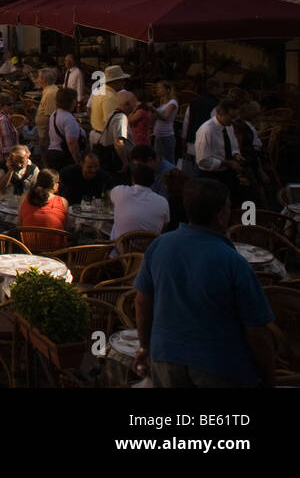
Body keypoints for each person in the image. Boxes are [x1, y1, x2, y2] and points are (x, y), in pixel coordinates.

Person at [133, 179, 275, 387]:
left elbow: (142, 302)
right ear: (220, 214)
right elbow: (257, 331)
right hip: (219, 366)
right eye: (228, 208)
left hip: (166, 360)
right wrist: (270, 379)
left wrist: (145, 347)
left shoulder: (160, 245)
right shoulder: (233, 262)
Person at [194, 99, 246, 199]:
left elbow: (233, 145)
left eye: (236, 117)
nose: (234, 121)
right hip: (211, 176)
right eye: (232, 117)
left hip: (227, 173)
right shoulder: (207, 130)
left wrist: (236, 155)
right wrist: (227, 163)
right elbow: (203, 160)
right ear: (221, 114)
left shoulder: (228, 126)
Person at [109, 163, 169, 240]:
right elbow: (164, 228)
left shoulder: (119, 191)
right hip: (150, 250)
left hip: (119, 249)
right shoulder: (163, 201)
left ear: (132, 179)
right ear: (153, 181)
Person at [18, 169, 68, 247]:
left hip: (27, 249)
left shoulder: (24, 198)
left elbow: (19, 224)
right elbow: (65, 228)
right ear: (55, 185)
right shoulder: (63, 202)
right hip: (56, 252)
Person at [43, 87, 83, 169]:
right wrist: (78, 162)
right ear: (72, 101)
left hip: (52, 152)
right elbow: (71, 142)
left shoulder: (55, 114)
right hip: (63, 156)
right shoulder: (68, 118)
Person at [96, 90, 132, 175]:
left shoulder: (112, 113)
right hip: (116, 160)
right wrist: (125, 162)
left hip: (110, 158)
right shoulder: (121, 117)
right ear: (127, 104)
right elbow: (118, 142)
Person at [152, 81, 179, 173]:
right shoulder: (162, 103)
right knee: (158, 161)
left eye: (160, 88)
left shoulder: (172, 103)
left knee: (168, 161)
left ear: (167, 90)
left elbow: (166, 117)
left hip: (166, 135)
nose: (158, 90)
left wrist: (153, 109)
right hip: (159, 135)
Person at [33, 68, 59, 153]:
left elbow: (51, 116)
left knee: (45, 153)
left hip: (46, 133)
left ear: (44, 80)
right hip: (43, 131)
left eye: (39, 78)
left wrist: (45, 136)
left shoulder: (50, 93)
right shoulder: (48, 90)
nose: (37, 80)